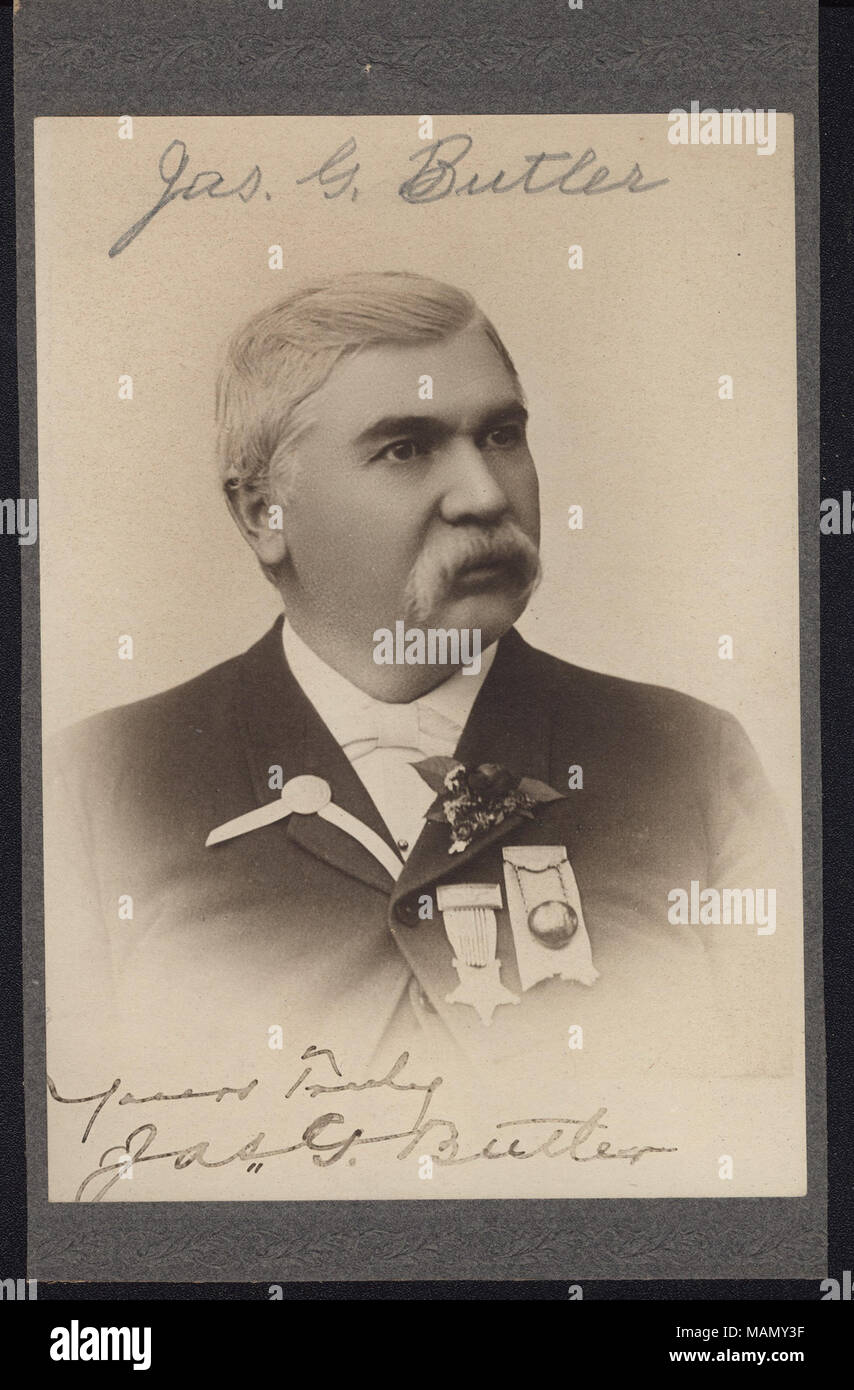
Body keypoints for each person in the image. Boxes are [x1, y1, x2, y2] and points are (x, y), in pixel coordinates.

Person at [43, 271, 795, 1090]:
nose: (483, 496)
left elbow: (777, 1124)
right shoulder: (96, 787)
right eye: (406, 449)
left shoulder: (688, 760)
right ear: (266, 514)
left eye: (502, 436)